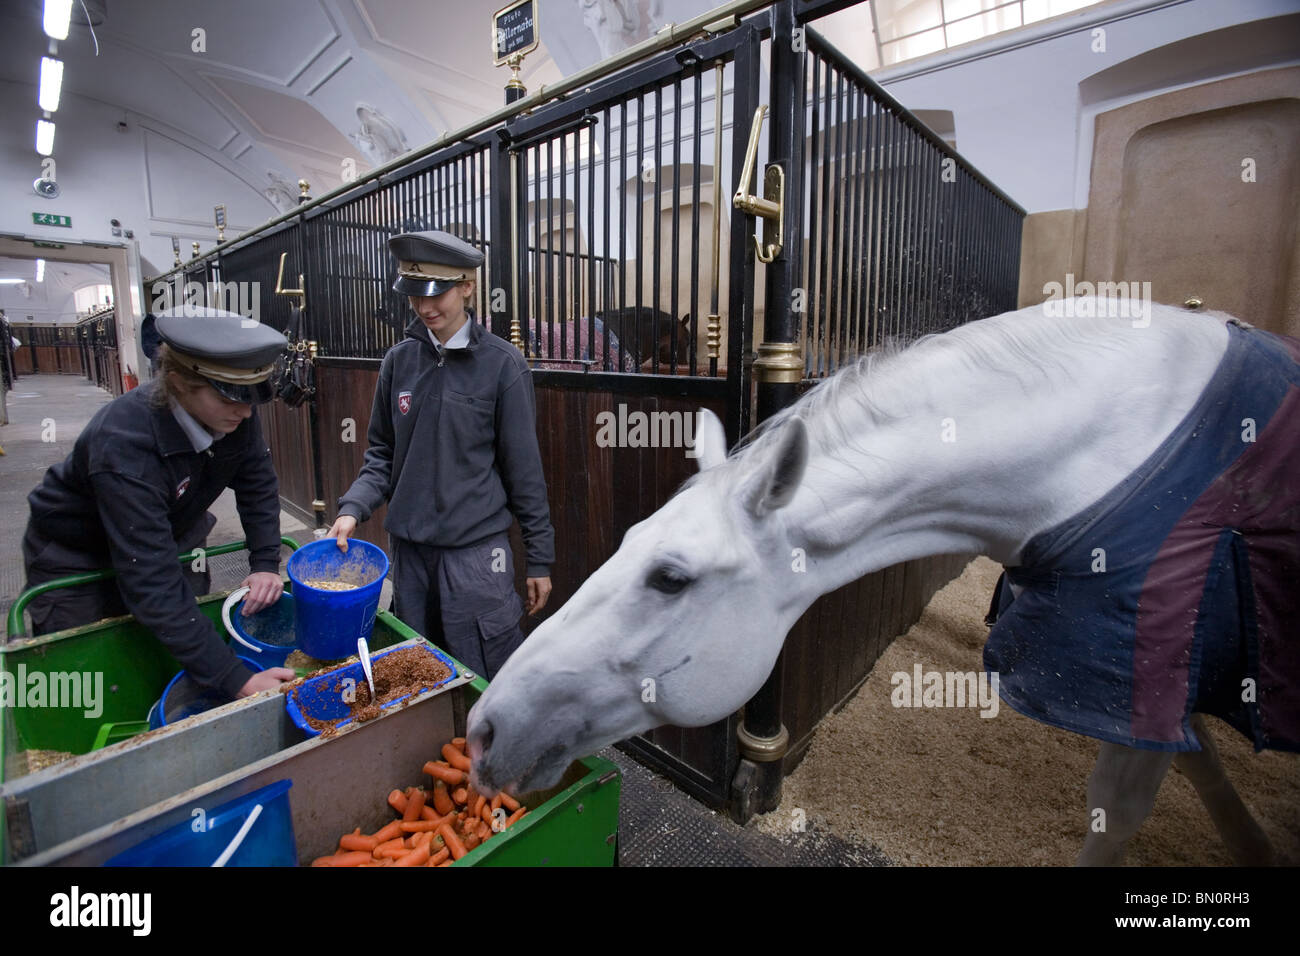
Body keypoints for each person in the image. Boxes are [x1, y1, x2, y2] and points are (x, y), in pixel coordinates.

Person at [21, 307, 294, 699]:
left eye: (254, 396)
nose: (247, 410)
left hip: (171, 536)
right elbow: (150, 580)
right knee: (90, 674)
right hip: (76, 557)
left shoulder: (234, 413)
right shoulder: (123, 444)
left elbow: (258, 484)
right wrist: (238, 680)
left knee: (176, 649)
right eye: (232, 396)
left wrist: (265, 563)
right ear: (179, 381)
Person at [327, 230, 555, 680]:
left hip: (476, 557)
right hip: (410, 555)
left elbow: (524, 471)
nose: (424, 307)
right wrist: (353, 508)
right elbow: (382, 452)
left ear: (468, 286)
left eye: (436, 294)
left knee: (486, 672)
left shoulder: (503, 366)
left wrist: (540, 558)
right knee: (415, 668)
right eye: (413, 294)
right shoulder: (399, 362)